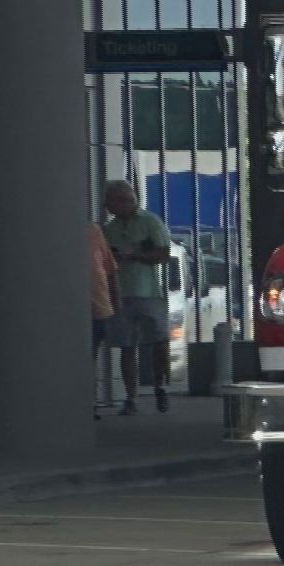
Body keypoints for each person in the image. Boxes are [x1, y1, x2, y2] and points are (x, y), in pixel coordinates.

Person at [101, 180, 173, 415]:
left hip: (149, 292)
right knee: (126, 345)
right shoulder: (109, 230)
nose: (109, 209)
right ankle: (130, 397)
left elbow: (163, 253)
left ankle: (160, 386)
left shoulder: (149, 221)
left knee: (158, 341)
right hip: (121, 292)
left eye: (112, 204)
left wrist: (136, 255)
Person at [87, 223, 119, 422]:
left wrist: (115, 301)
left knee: (88, 358)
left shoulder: (93, 231)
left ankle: (88, 403)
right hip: (67, 308)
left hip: (96, 307)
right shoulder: (92, 231)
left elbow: (109, 269)